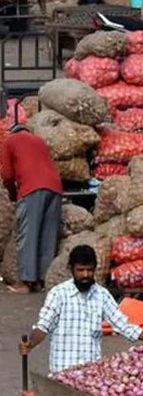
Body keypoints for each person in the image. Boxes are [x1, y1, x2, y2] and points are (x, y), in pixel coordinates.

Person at [19, 246, 143, 374]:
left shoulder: (102, 295)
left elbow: (124, 326)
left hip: (91, 371)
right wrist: (30, 344)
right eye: (80, 270)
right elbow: (43, 326)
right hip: (62, 372)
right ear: (71, 269)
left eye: (89, 270)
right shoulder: (58, 294)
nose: (85, 275)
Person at [1, 125, 63, 293]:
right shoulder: (40, 141)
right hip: (55, 188)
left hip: (31, 188)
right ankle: (43, 280)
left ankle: (26, 282)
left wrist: (13, 194)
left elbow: (7, 174)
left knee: (28, 234)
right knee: (47, 235)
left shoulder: (9, 141)